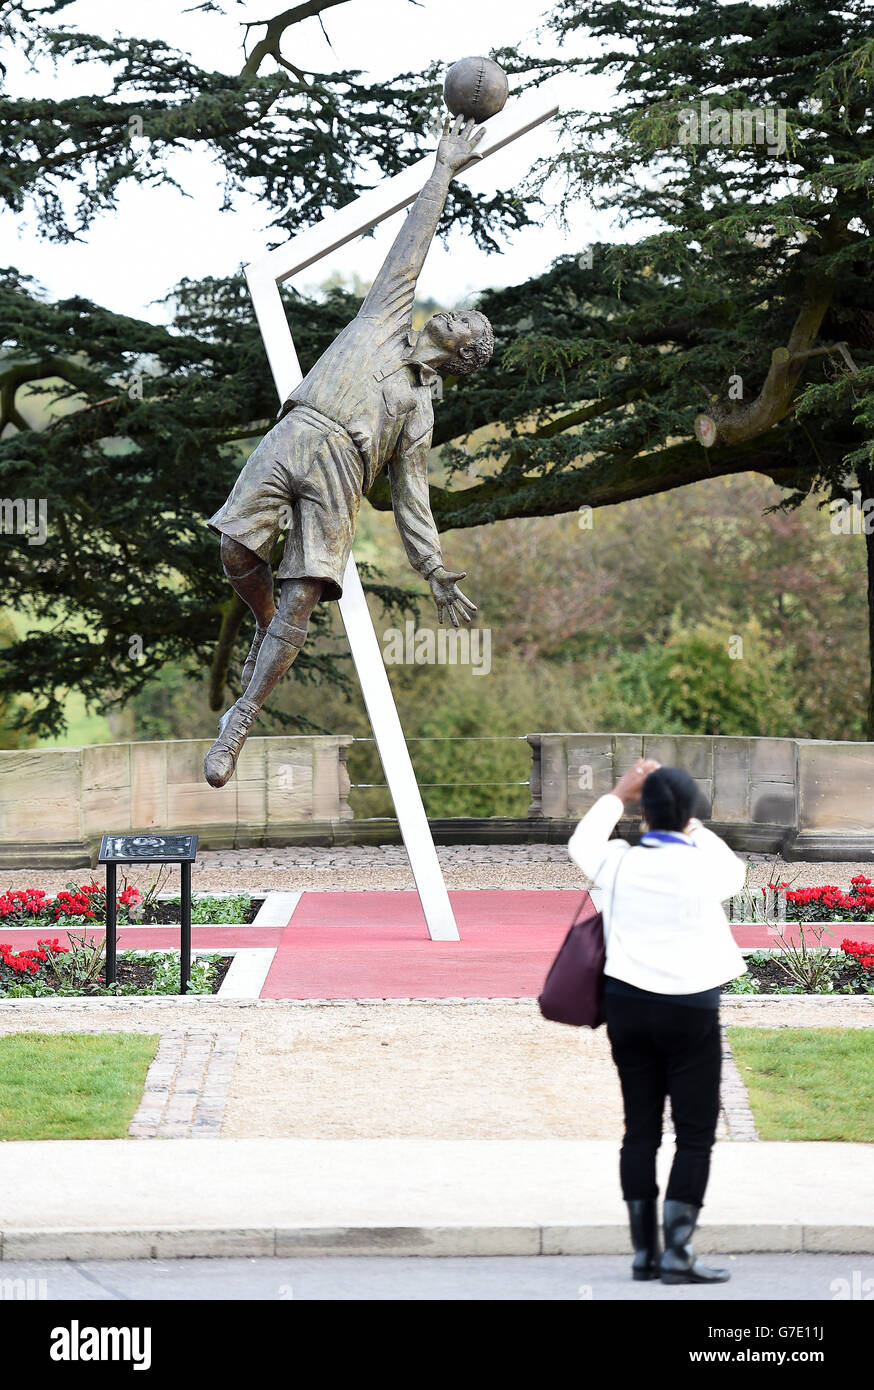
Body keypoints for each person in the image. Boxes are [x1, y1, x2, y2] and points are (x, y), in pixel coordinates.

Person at [203, 114, 493, 788]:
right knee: (233, 550)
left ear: (462, 357)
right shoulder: (384, 317)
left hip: (342, 478)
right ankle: (265, 621)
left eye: (465, 325)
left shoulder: (420, 409)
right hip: (299, 430)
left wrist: (432, 565)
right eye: (458, 314)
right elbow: (412, 245)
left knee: (304, 599)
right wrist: (442, 168)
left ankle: (242, 719)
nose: (452, 314)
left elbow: (413, 494)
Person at [568, 759, 747, 1284]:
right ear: (690, 814)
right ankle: (678, 1253)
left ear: (643, 811)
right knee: (694, 1134)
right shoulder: (703, 864)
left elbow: (582, 842)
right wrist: (684, 817)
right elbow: (734, 872)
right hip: (690, 1009)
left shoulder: (618, 862)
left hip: (627, 1007)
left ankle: (644, 1252)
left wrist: (619, 795)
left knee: (639, 1131)